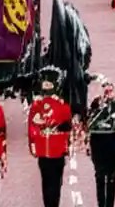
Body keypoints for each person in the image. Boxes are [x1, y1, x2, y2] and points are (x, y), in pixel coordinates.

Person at [28, 67, 73, 207]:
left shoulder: (63, 106)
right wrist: (33, 144)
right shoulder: (37, 106)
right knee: (46, 183)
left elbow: (67, 128)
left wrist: (67, 145)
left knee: (56, 183)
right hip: (43, 148)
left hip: (57, 149)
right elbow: (32, 127)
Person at [85, 79, 115, 207]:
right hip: (100, 143)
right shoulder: (95, 104)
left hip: (112, 143)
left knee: (111, 178)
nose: (109, 93)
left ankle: (108, 204)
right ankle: (102, 204)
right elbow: (89, 124)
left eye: (110, 90)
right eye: (107, 90)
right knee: (100, 176)